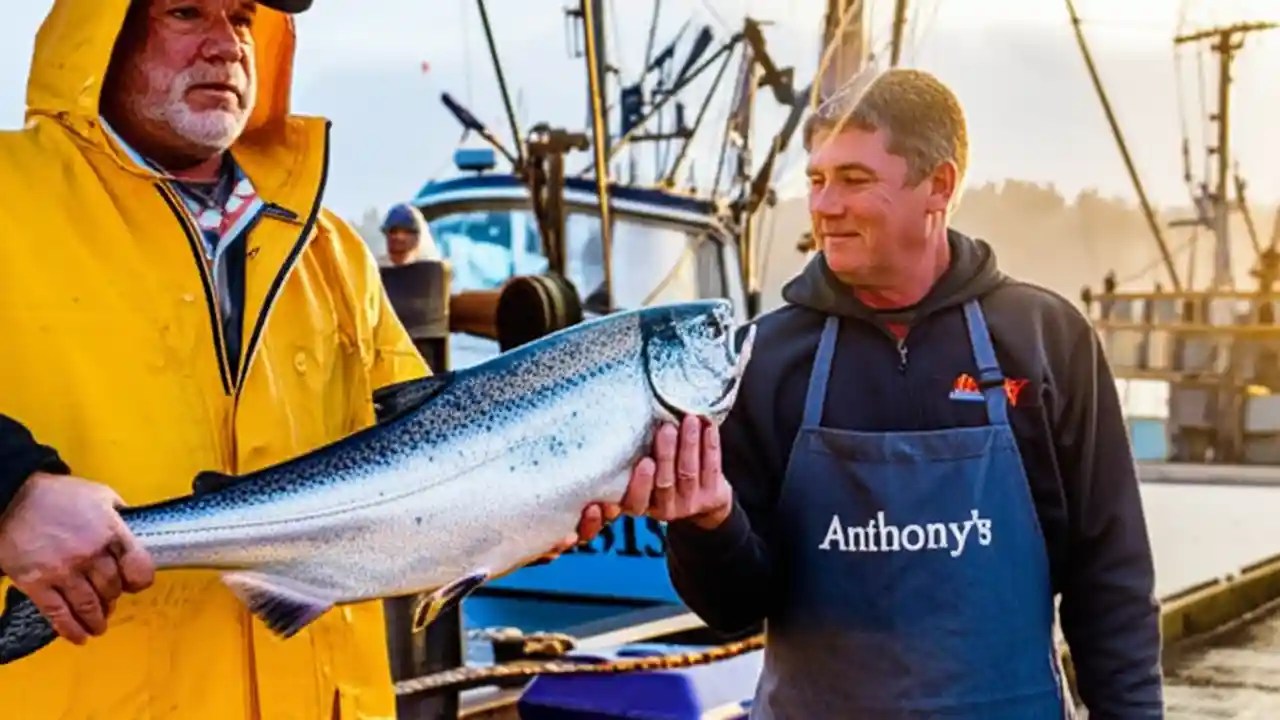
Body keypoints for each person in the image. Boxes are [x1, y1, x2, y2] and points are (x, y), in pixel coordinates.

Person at [635, 68, 1163, 718]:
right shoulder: (762, 359)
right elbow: (733, 610)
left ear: (938, 185)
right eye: (817, 180)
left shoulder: (1046, 339)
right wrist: (706, 525)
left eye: (854, 180)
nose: (824, 206)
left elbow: (1110, 581)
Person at [0, 1, 437, 717]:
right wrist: (8, 492)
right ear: (99, 31)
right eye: (186, 12)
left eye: (241, 18)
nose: (226, 45)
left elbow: (440, 468)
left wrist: (556, 496)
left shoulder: (333, 252)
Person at [378, 201, 442, 267]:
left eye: (406, 232)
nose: (398, 238)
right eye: (393, 232)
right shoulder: (378, 271)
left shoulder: (433, 271)